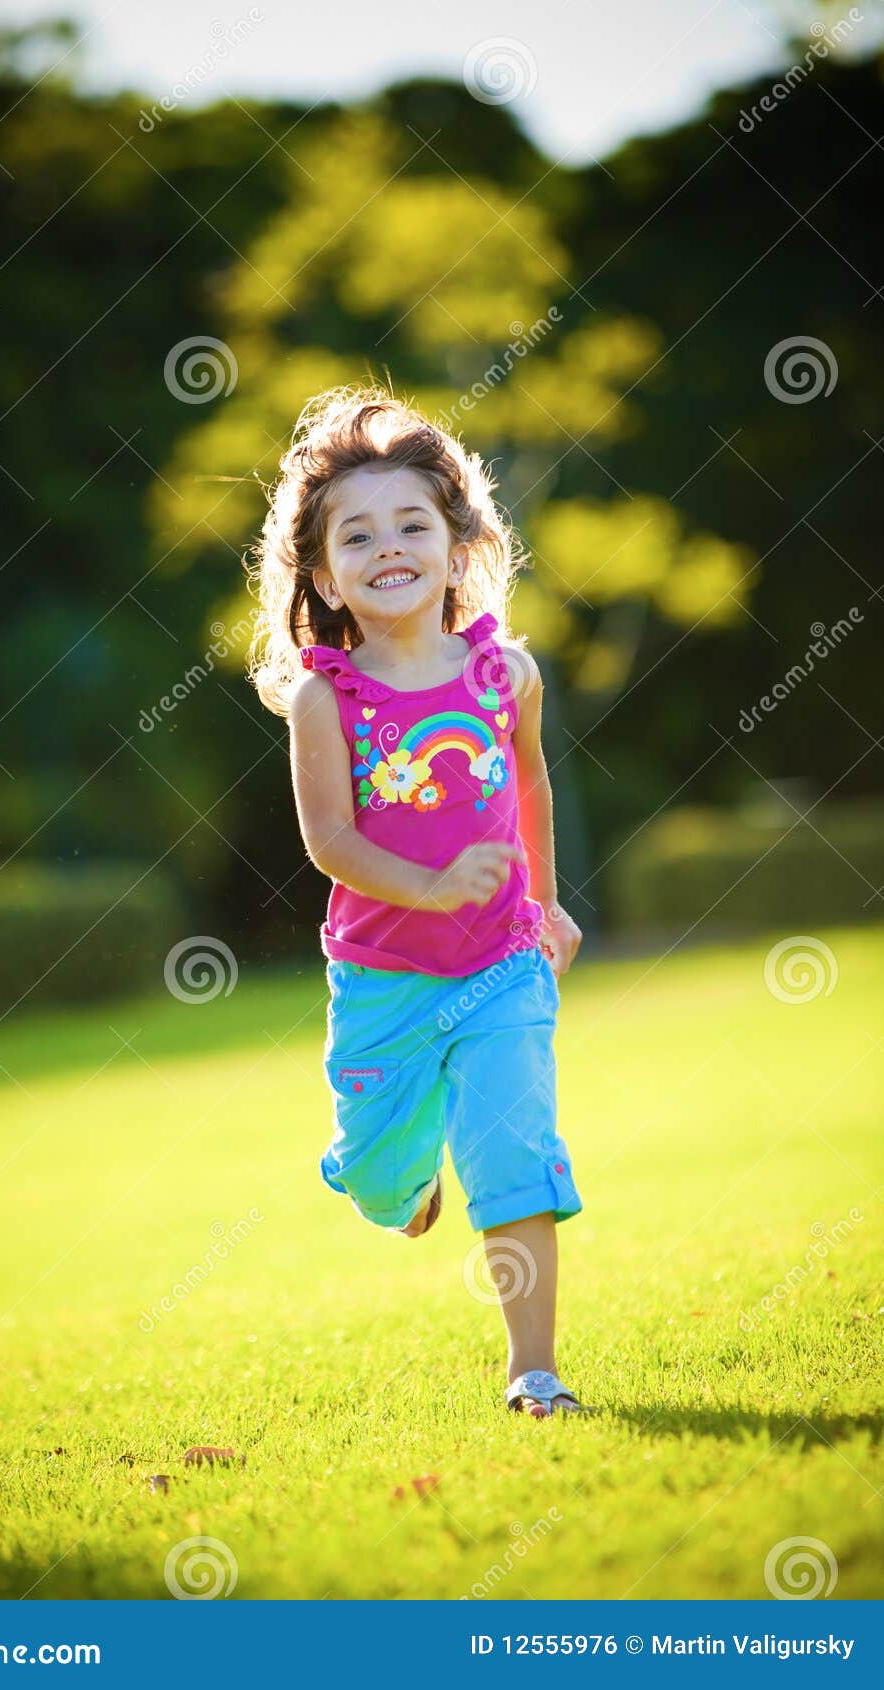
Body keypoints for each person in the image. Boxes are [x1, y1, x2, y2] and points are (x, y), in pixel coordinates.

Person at [245, 386, 588, 1417]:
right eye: (356, 534)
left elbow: (527, 786)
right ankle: (394, 1175)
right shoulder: (324, 698)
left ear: (456, 544)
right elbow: (329, 840)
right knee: (382, 1181)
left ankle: (532, 1370)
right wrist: (431, 886)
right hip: (383, 983)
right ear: (322, 573)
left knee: (514, 1152)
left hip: (498, 967)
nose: (386, 546)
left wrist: (547, 903)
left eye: (411, 524)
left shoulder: (504, 675)